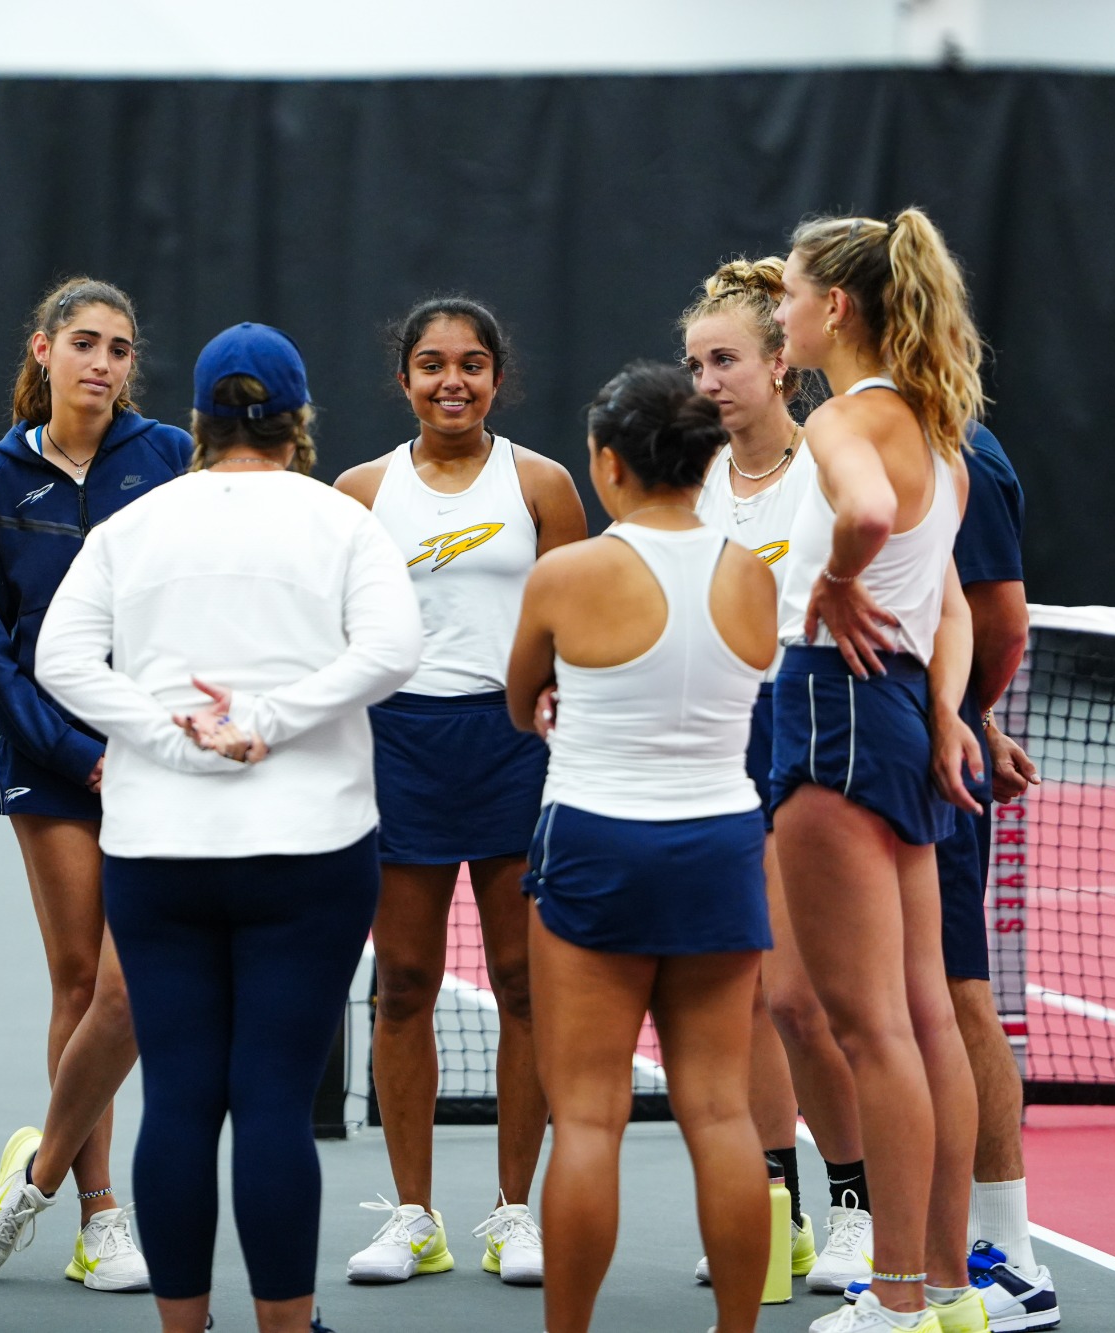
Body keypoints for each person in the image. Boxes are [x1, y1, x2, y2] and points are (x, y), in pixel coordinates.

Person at [0, 323, 421, 1333]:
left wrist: (168, 744)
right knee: (270, 1101)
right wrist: (262, 725)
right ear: (299, 424)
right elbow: (394, 648)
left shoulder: (133, 527)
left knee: (177, 1099)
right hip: (311, 854)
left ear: (197, 423)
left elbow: (62, 664)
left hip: (157, 852)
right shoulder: (340, 522)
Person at [507, 361, 777, 1333]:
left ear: (606, 463)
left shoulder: (565, 574)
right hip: (719, 847)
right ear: (705, 462)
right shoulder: (754, 576)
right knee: (720, 1113)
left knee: (586, 1118)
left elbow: (517, 700)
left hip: (595, 846)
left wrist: (555, 697)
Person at [767, 207, 991, 1333]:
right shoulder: (937, 433)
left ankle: (895, 1297)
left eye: (792, 292)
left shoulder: (841, 422)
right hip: (899, 711)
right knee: (922, 1017)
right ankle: (948, 1290)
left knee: (873, 1030)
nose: (781, 312)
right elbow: (946, 601)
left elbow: (860, 515)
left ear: (835, 308)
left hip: (833, 707)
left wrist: (835, 583)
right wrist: (943, 709)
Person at [333, 296, 583, 1285]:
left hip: (515, 745)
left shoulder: (544, 485)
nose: (452, 381)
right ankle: (411, 1214)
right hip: (397, 750)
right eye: (432, 364)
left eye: (472, 364)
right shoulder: (356, 492)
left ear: (495, 377)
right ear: (403, 379)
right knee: (401, 985)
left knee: (525, 984)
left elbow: (582, 622)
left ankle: (514, 1211)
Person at [0, 277, 190, 1291]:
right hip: (52, 766)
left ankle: (35, 1178)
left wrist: (151, 735)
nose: (102, 362)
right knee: (75, 981)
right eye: (83, 342)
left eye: (120, 348)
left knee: (127, 990)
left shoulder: (171, 459)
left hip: (157, 760)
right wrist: (72, 751)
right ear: (42, 349)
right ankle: (101, 1215)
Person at [682, 257, 875, 1297]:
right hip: (706, 749)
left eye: (725, 361)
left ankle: (854, 1205)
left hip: (800, 738)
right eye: (696, 364)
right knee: (739, 1000)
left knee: (802, 999)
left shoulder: (825, 469)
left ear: (778, 369)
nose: (707, 381)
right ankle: (773, 1210)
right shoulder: (692, 478)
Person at [932, 428, 1057, 1331]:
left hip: (922, 762)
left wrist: (967, 716)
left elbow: (1000, 620)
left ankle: (1009, 1254)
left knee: (952, 992)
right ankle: (908, 1243)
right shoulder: (839, 436)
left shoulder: (958, 450)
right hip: (844, 750)